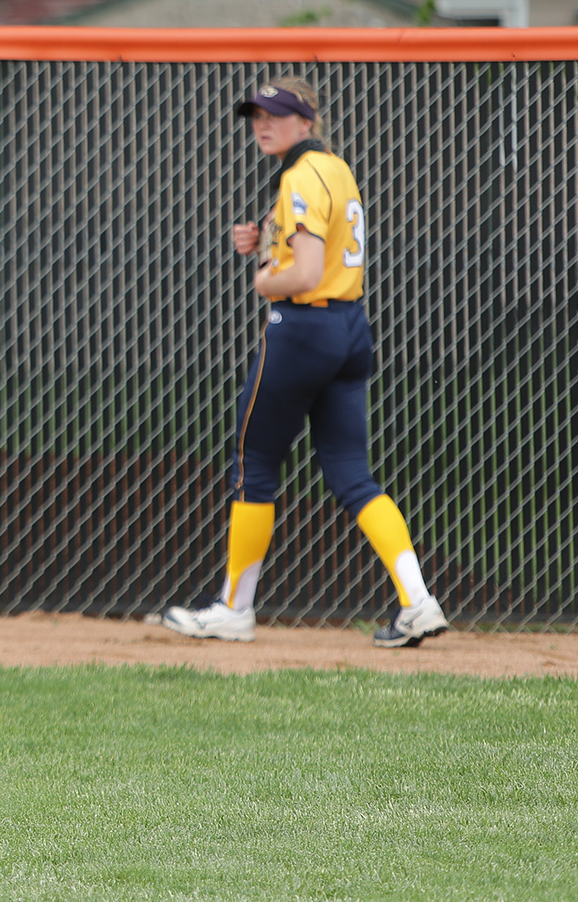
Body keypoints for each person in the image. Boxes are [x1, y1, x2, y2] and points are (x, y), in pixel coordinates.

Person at [161, 77, 448, 648]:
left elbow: (306, 271)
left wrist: (266, 276)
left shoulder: (298, 175)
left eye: (277, 113)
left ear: (307, 118)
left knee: (256, 466)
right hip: (350, 328)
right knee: (352, 473)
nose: (262, 124)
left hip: (303, 328)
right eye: (256, 115)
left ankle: (234, 608)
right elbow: (316, 239)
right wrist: (264, 237)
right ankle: (419, 601)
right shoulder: (335, 167)